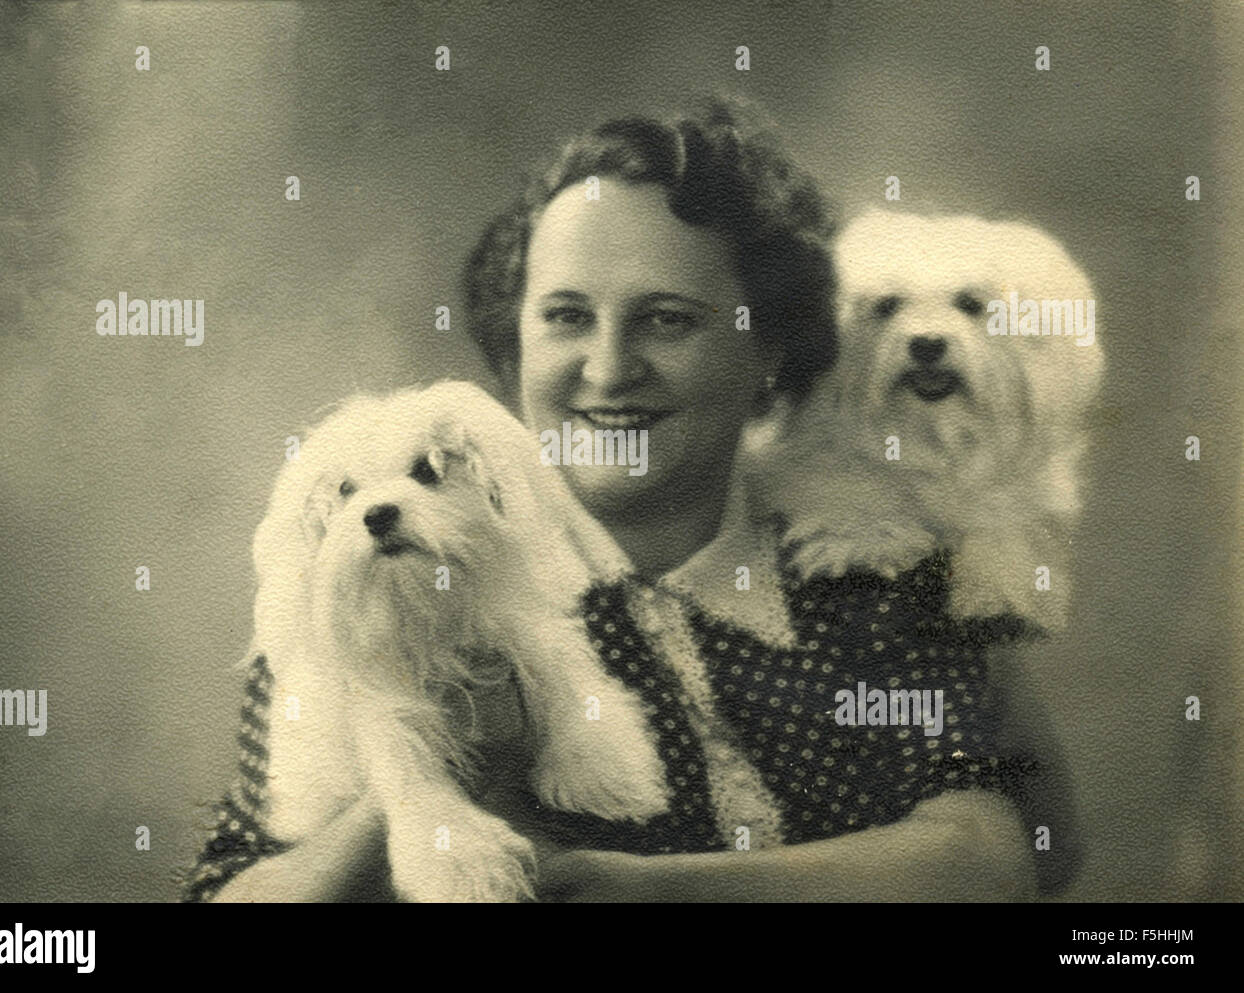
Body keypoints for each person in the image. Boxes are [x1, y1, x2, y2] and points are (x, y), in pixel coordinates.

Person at [180, 97, 1080, 903]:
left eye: (668, 319)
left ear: (768, 350)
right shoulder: (392, 567)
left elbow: (988, 860)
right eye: (567, 317)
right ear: (515, 339)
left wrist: (648, 891)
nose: (609, 370)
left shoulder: (862, 566)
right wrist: (413, 774)